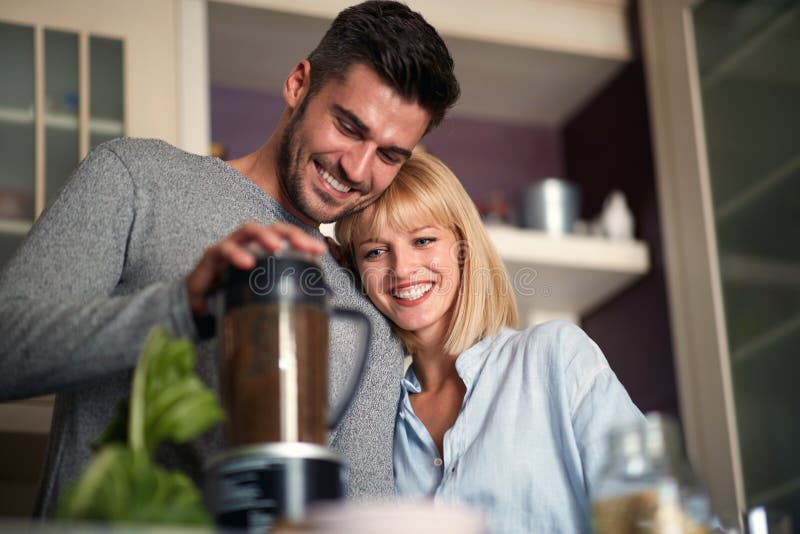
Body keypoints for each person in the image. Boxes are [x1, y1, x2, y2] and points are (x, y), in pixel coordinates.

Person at [0, 1, 459, 517]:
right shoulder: (138, 178)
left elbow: (356, 509)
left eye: (389, 155)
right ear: (298, 85)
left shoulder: (363, 304)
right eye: (349, 127)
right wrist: (180, 309)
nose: (357, 168)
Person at [334, 151, 644, 533]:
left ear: (464, 247)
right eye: (376, 251)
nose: (402, 268)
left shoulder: (555, 357)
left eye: (424, 240)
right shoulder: (380, 416)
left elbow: (653, 512)